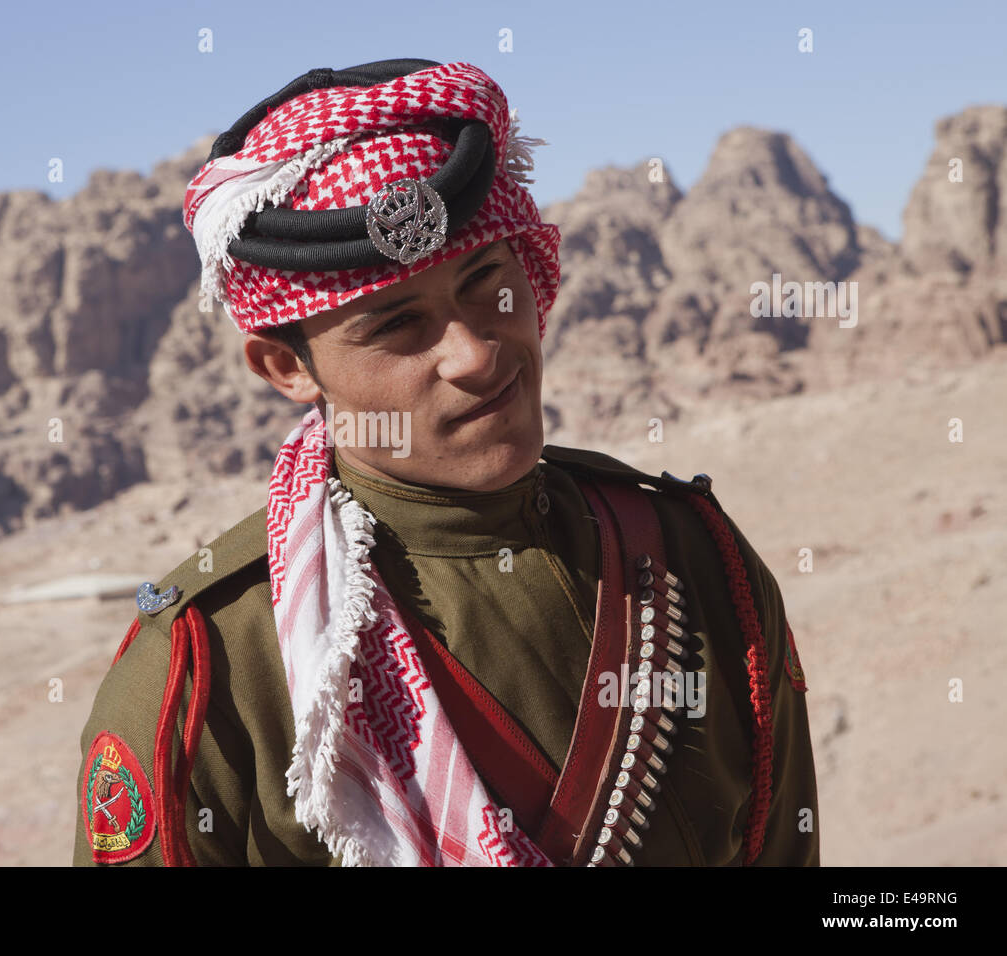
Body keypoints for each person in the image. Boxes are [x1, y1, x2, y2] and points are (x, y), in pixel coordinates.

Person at [72, 58, 819, 867]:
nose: (474, 353)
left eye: (487, 283)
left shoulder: (696, 562)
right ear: (287, 369)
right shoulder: (211, 668)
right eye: (397, 325)